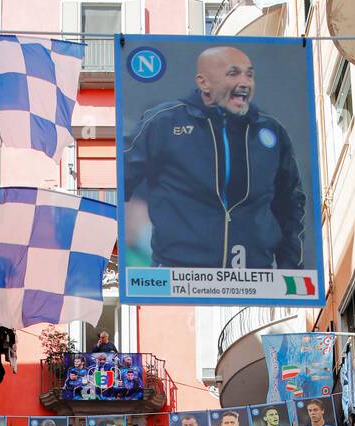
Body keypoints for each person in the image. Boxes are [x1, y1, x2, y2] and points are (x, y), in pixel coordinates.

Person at [124, 45, 306, 271]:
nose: (244, 82)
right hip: (177, 273)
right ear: (204, 83)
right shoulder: (164, 121)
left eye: (249, 74)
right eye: (233, 73)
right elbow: (121, 178)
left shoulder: (271, 130)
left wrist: (291, 268)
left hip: (255, 275)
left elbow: (290, 204)